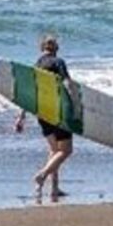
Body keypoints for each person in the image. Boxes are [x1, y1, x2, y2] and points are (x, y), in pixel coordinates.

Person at [14, 34, 74, 202]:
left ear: (42, 48)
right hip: (58, 112)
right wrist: (75, 105)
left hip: (41, 113)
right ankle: (42, 175)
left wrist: (21, 117)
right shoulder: (58, 62)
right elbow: (68, 84)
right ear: (56, 48)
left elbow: (29, 94)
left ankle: (53, 188)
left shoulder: (36, 66)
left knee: (54, 151)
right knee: (66, 150)